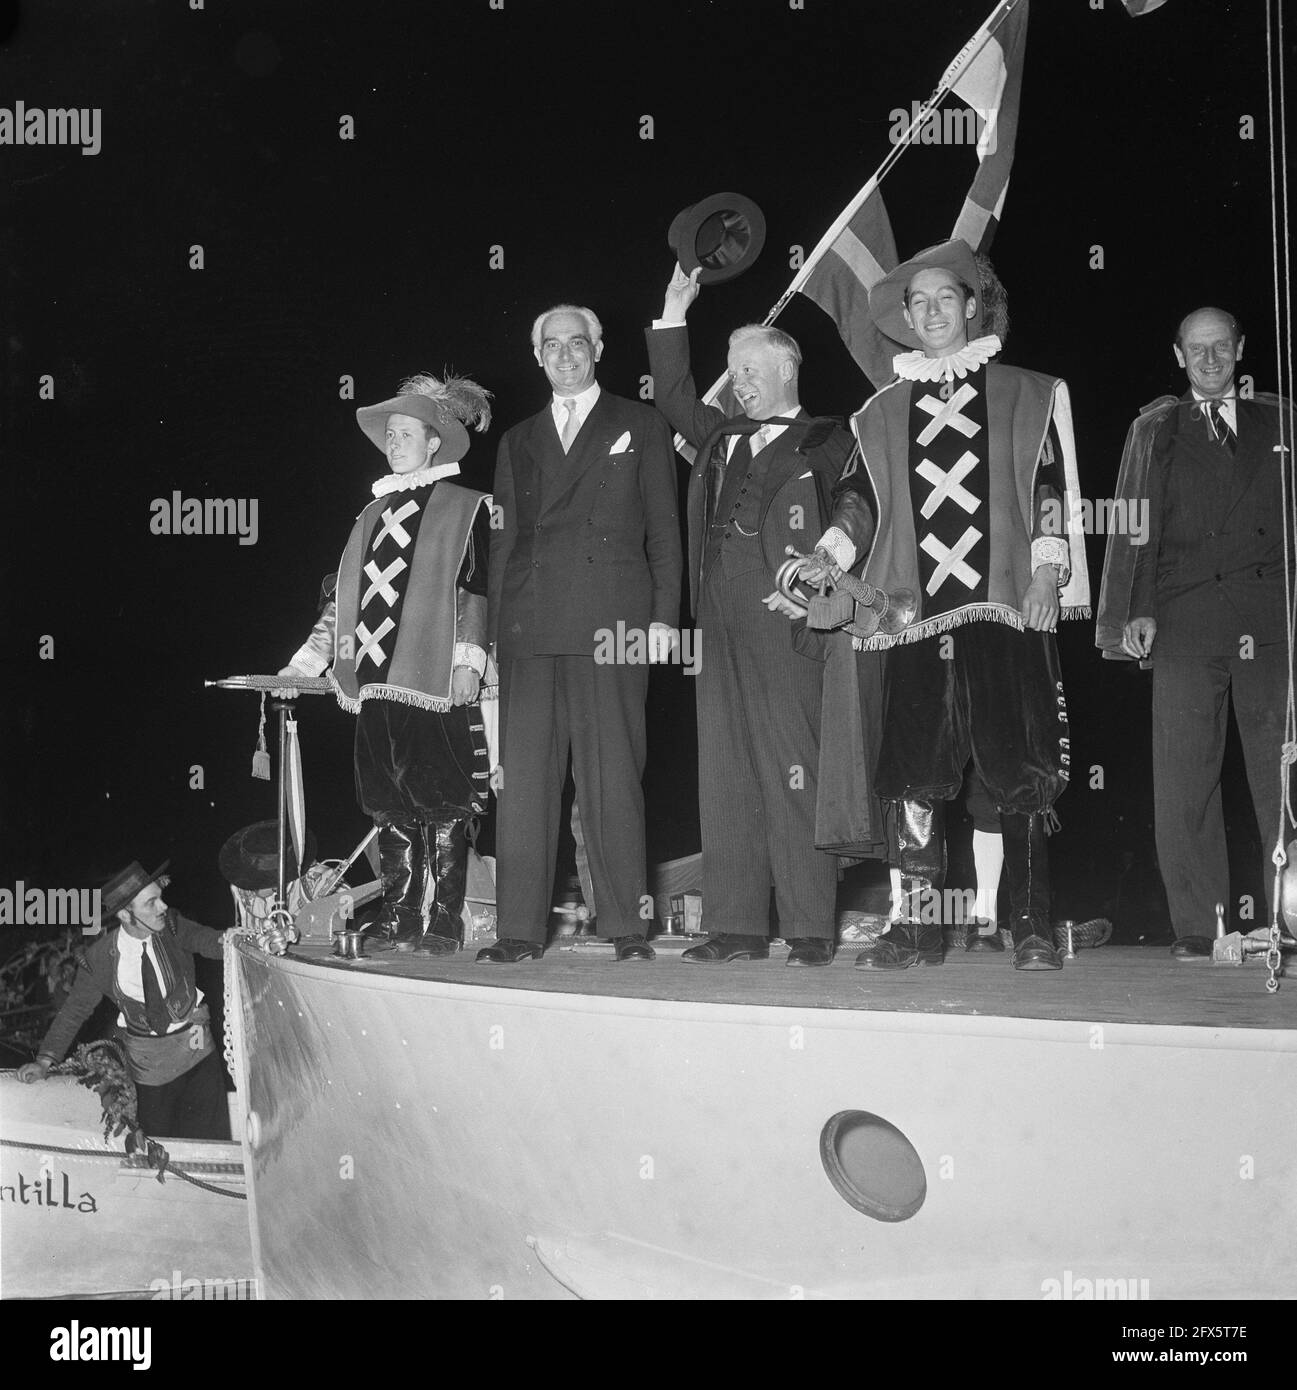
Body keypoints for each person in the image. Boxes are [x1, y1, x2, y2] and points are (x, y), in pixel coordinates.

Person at [801, 240, 1090, 972]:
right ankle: (918, 929)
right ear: (905, 319)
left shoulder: (1026, 392)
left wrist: (1045, 575)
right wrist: (830, 553)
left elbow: (1047, 491)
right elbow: (857, 499)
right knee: (913, 777)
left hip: (1005, 604)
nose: (931, 311)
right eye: (918, 302)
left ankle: (1027, 926)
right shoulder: (877, 410)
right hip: (911, 615)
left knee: (1020, 773)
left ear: (970, 307)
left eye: (944, 298)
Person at [645, 266, 884, 967]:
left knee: (793, 770)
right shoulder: (720, 438)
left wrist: (821, 573)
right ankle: (738, 927)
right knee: (724, 772)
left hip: (787, 621)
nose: (738, 381)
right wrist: (672, 309)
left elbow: (856, 508)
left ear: (786, 367)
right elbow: (670, 393)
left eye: (749, 368)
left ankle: (810, 927)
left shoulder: (829, 435)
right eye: (731, 369)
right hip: (716, 627)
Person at [482, 305, 682, 964]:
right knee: (528, 786)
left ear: (598, 346)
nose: (565, 354)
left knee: (613, 776)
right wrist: (490, 639)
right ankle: (517, 931)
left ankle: (626, 926)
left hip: (614, 623)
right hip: (530, 626)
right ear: (536, 357)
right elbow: (504, 543)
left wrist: (661, 618)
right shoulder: (516, 440)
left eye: (576, 342)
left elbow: (663, 527)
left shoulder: (640, 423)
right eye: (551, 345)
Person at [1096, 307, 1292, 959]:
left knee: (1283, 774)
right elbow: (1132, 525)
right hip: (1182, 617)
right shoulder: (1154, 428)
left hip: (1268, 619)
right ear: (1177, 356)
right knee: (1184, 778)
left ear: (1239, 349)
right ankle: (1198, 926)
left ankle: (1290, 917)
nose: (1208, 360)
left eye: (1219, 347)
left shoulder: (1281, 419)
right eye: (1195, 350)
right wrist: (1134, 609)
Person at [278, 373, 494, 955]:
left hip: (430, 678)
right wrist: (307, 664)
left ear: (433, 443)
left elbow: (478, 587)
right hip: (371, 681)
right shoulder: (369, 514)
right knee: (388, 802)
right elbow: (344, 596)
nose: (393, 443)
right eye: (390, 434)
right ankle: (399, 913)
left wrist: (468, 659)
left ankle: (443, 918)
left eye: (405, 434)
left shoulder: (466, 507)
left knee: (443, 799)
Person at [17, 860, 230, 1141]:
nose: (163, 907)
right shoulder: (98, 961)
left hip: (199, 1053)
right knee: (161, 1147)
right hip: (151, 1070)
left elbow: (208, 940)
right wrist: (45, 1060)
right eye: (151, 903)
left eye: (160, 898)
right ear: (125, 915)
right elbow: (73, 1012)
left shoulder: (174, 928)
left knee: (211, 1142)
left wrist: (234, 941)